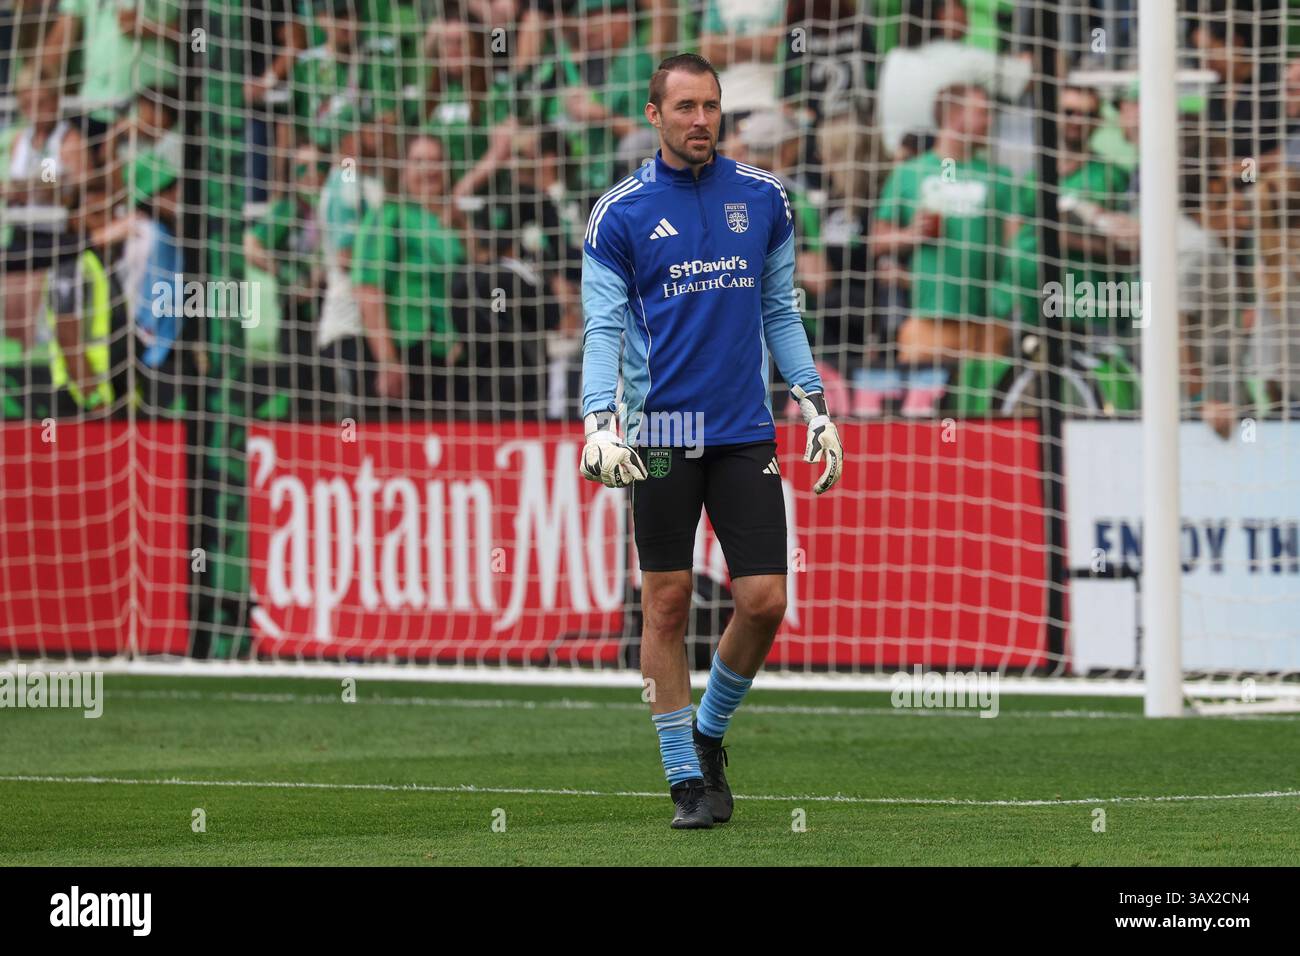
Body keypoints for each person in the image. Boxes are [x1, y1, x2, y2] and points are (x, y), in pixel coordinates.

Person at [580, 53, 844, 829]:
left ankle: (709, 734)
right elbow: (601, 327)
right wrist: (600, 420)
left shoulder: (763, 198)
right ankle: (684, 781)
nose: (702, 120)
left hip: (742, 429)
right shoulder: (619, 214)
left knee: (764, 601)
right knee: (664, 603)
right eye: (686, 106)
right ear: (654, 114)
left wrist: (815, 401)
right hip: (660, 430)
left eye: (712, 106)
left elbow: (779, 311)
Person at [871, 83, 1019, 364]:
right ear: (954, 116)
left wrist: (1007, 297)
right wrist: (909, 235)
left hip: (987, 321)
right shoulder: (908, 173)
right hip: (928, 320)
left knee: (992, 408)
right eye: (983, 114)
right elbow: (878, 241)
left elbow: (1015, 242)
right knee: (924, 407)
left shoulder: (1001, 177)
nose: (990, 121)